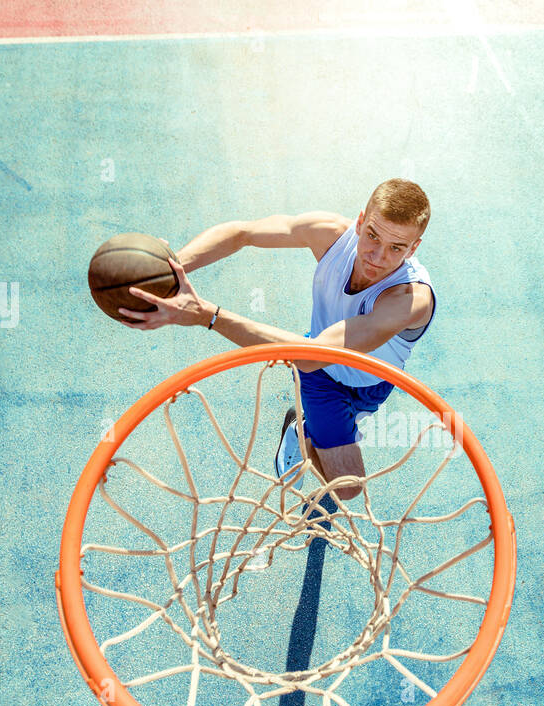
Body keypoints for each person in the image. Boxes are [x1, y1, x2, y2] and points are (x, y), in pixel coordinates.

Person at [119, 179, 435, 501]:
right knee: (348, 489)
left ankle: (300, 428)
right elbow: (242, 233)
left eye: (396, 247)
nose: (377, 257)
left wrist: (206, 314)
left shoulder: (408, 300)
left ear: (413, 248)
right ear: (359, 221)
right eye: (372, 236)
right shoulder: (330, 235)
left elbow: (310, 353)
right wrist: (172, 269)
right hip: (319, 374)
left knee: (342, 481)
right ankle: (303, 429)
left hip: (370, 381)